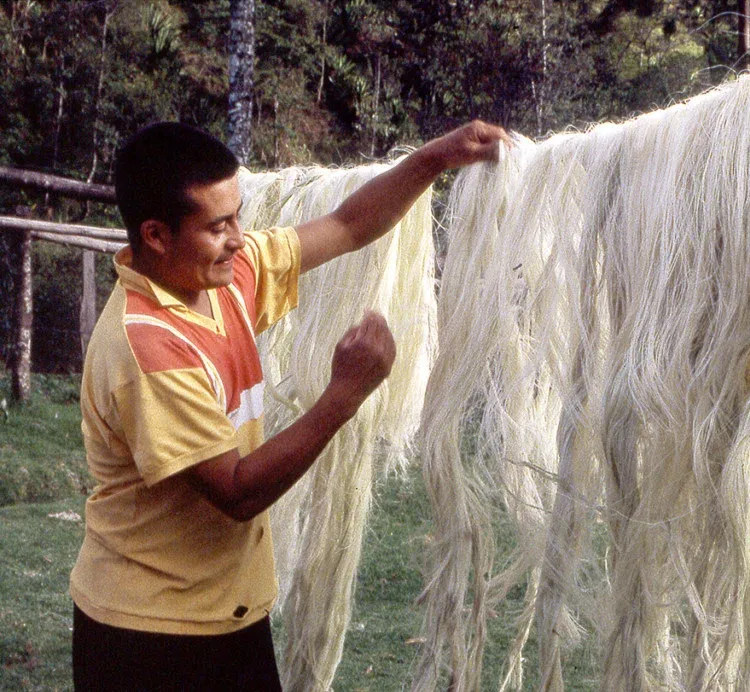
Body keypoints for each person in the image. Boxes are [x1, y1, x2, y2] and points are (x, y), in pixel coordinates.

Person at [69, 119, 508, 690]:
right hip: (149, 638)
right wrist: (343, 396)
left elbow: (347, 226)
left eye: (237, 217)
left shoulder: (222, 279)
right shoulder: (147, 348)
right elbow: (238, 491)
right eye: (217, 225)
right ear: (155, 234)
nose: (237, 237)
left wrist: (435, 160)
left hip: (228, 614)